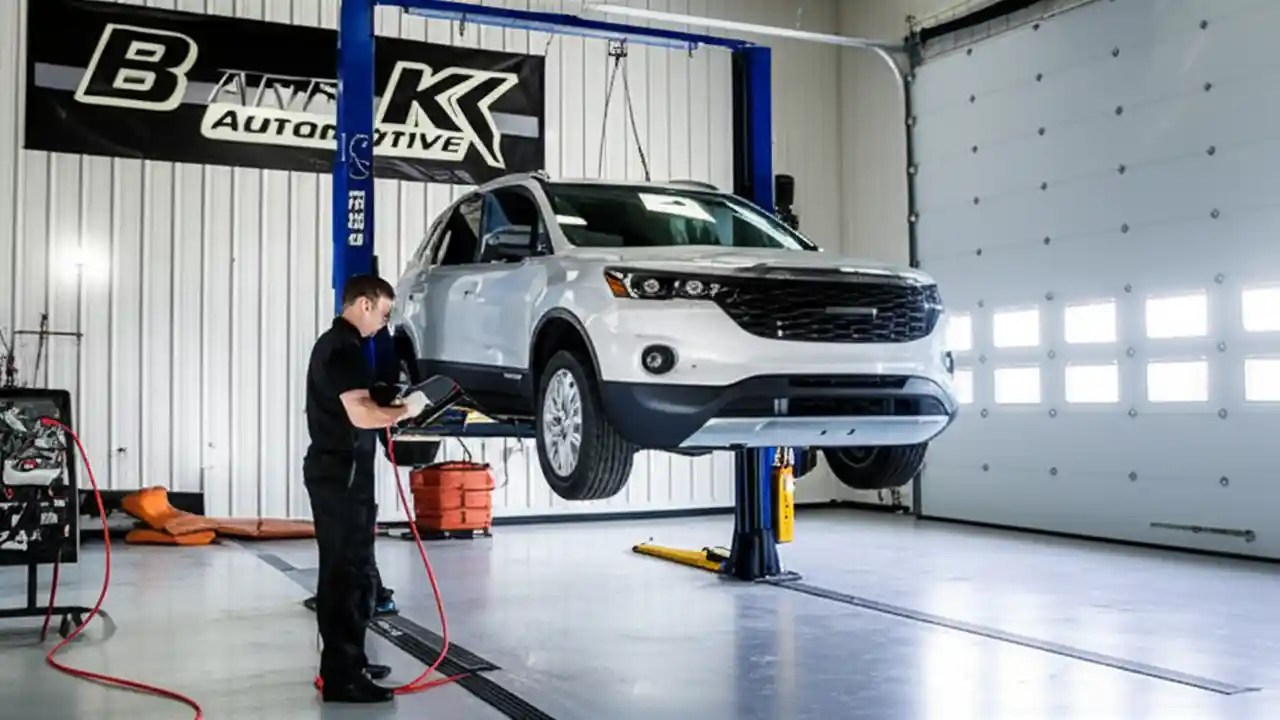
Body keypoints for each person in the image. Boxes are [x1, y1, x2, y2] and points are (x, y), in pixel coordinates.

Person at [303, 275, 428, 703]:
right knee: (346, 575)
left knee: (347, 571)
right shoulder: (344, 349)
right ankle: (343, 678)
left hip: (341, 473)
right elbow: (361, 416)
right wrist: (410, 409)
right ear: (364, 304)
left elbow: (361, 403)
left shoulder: (338, 346)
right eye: (385, 312)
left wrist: (392, 403)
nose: (385, 323)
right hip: (341, 476)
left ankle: (347, 661)